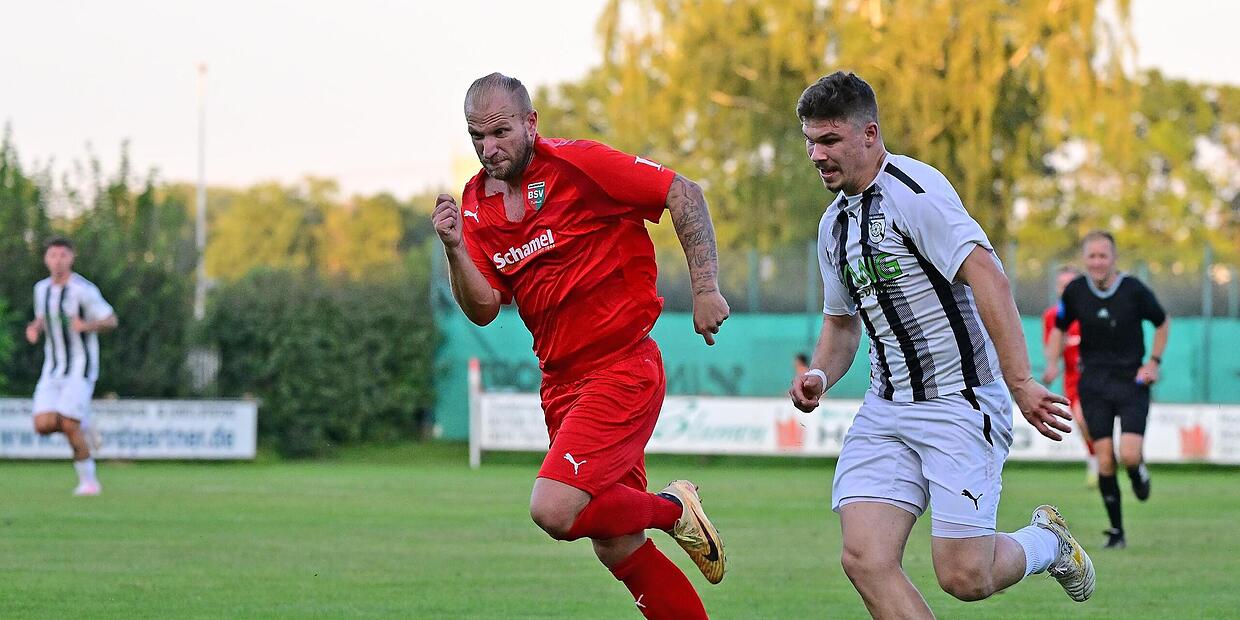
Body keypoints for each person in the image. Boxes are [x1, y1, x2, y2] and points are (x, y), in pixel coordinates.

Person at [787, 72, 1094, 617]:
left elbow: (988, 276)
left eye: (829, 140)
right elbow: (841, 326)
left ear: (869, 134)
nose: (817, 154)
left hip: (959, 400)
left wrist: (1020, 381)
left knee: (964, 576)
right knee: (864, 558)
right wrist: (819, 375)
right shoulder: (832, 224)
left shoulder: (916, 193)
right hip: (886, 408)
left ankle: (1048, 543)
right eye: (811, 141)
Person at [433, 73, 731, 619]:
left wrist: (706, 288)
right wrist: (455, 248)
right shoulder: (476, 207)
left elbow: (682, 192)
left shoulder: (578, 165)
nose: (489, 148)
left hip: (621, 367)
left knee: (553, 509)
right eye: (477, 136)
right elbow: (483, 307)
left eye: (500, 132)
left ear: (530, 123)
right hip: (560, 383)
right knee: (617, 544)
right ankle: (671, 517)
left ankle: (672, 509)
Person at [1044, 231, 1169, 550]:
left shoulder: (1133, 290)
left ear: (1113, 258)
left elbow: (1162, 322)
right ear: (1085, 260)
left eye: (1103, 256)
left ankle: (1139, 471)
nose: (1097, 262)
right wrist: (1053, 363)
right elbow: (1059, 326)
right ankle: (1116, 531)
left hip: (1131, 382)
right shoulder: (1074, 291)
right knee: (1103, 459)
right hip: (1094, 384)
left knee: (1127, 453)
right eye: (1092, 256)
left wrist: (1152, 362)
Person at [25, 237, 117, 496]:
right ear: (46, 259)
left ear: (71, 258)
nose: (58, 260)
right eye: (53, 255)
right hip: (53, 367)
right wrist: (35, 328)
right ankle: (85, 422)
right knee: (42, 425)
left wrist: (86, 326)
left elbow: (111, 320)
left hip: (81, 366)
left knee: (68, 425)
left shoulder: (83, 290)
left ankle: (89, 482)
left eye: (63, 255)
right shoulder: (41, 289)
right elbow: (42, 318)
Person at [1042, 266, 1098, 487]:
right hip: (1074, 380)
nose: (1067, 290)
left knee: (1095, 422)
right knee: (1084, 422)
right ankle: (1096, 461)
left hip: (1098, 376)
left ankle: (1101, 463)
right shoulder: (1052, 316)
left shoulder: (1092, 312)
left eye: (1071, 285)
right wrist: (1052, 366)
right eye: (1062, 285)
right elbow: (1051, 350)